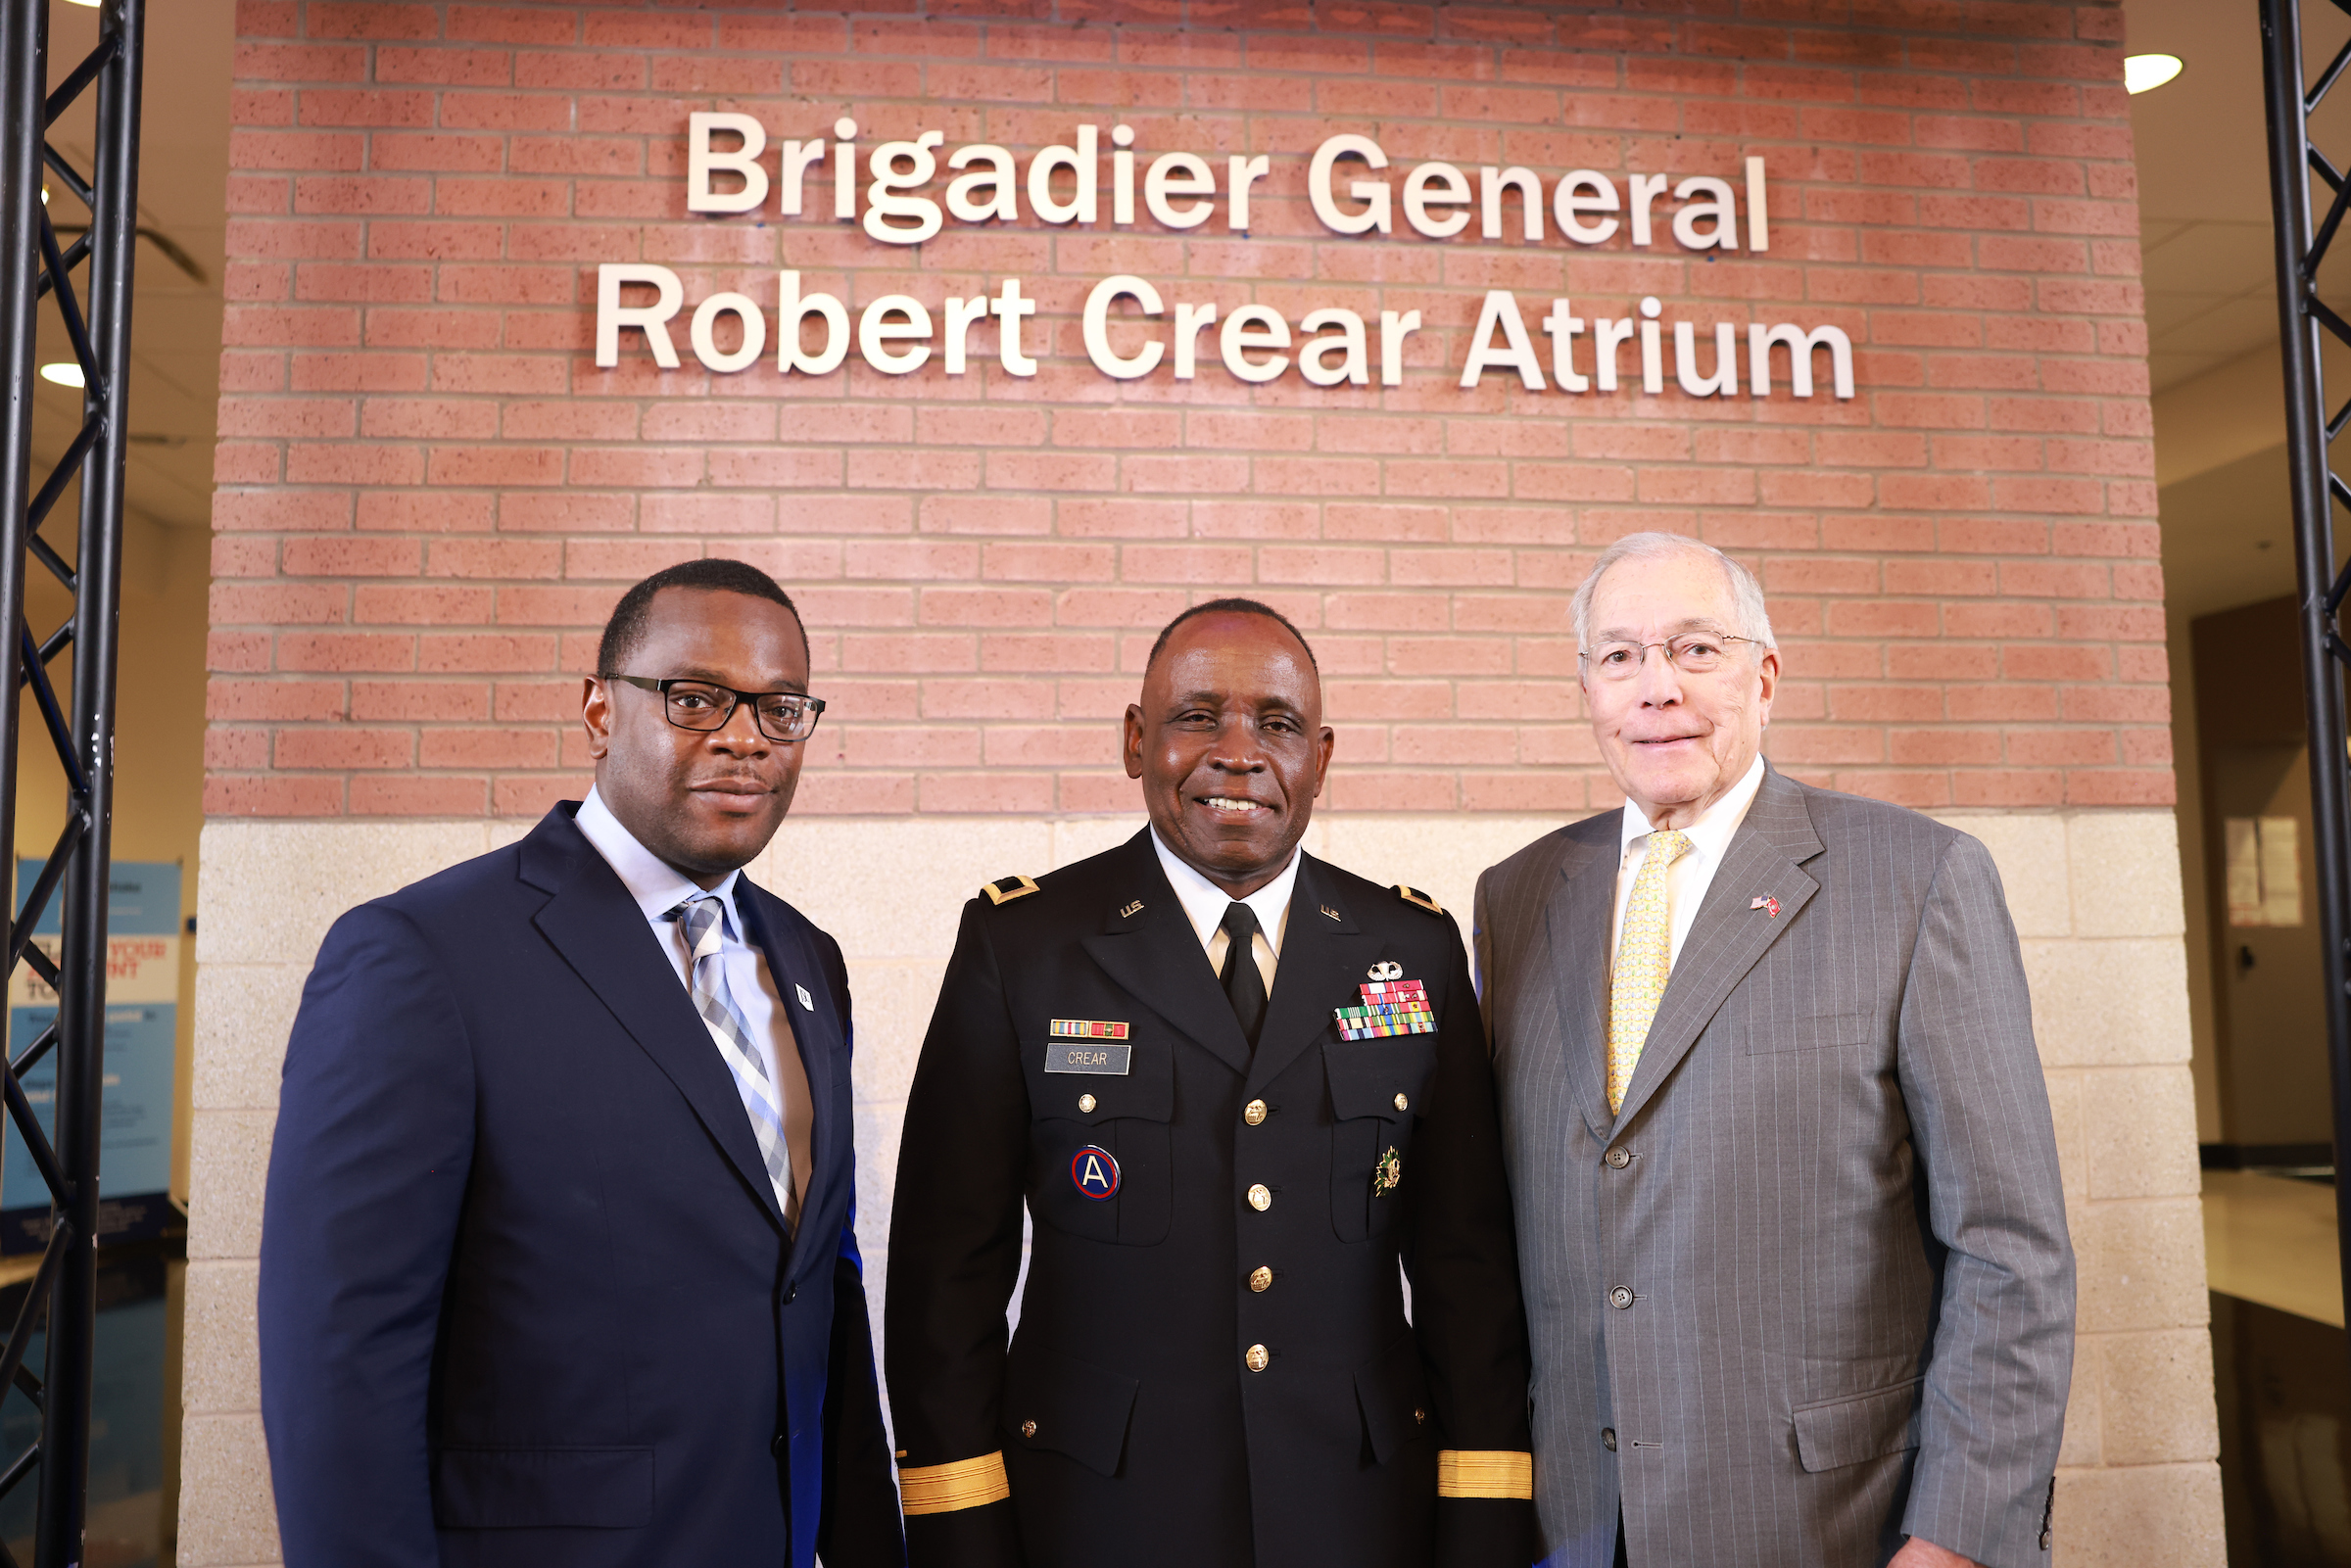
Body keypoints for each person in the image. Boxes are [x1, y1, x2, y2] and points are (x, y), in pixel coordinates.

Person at [258, 559, 903, 1568]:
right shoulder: (422, 957)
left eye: (781, 709)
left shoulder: (808, 958)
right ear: (601, 710)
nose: (745, 737)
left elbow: (819, 1284)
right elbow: (341, 1362)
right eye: (695, 697)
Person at [885, 599, 1539, 1568]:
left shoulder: (1415, 948)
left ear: (1320, 756)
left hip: (1359, 1513)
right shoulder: (1022, 946)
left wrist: (1482, 1520)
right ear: (1135, 740)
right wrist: (960, 1528)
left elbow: (1466, 1273)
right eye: (1197, 717)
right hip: (1098, 1518)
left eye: (1277, 723)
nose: (1238, 752)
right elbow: (947, 1277)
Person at [1473, 533, 2074, 1568]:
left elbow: (2010, 1247)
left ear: (1765, 677)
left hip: (1831, 1523)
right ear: (1587, 690)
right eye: (1619, 655)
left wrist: (1957, 1539)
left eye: (1695, 648)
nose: (1656, 687)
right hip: (1576, 1524)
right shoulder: (1516, 895)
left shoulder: (1918, 877)